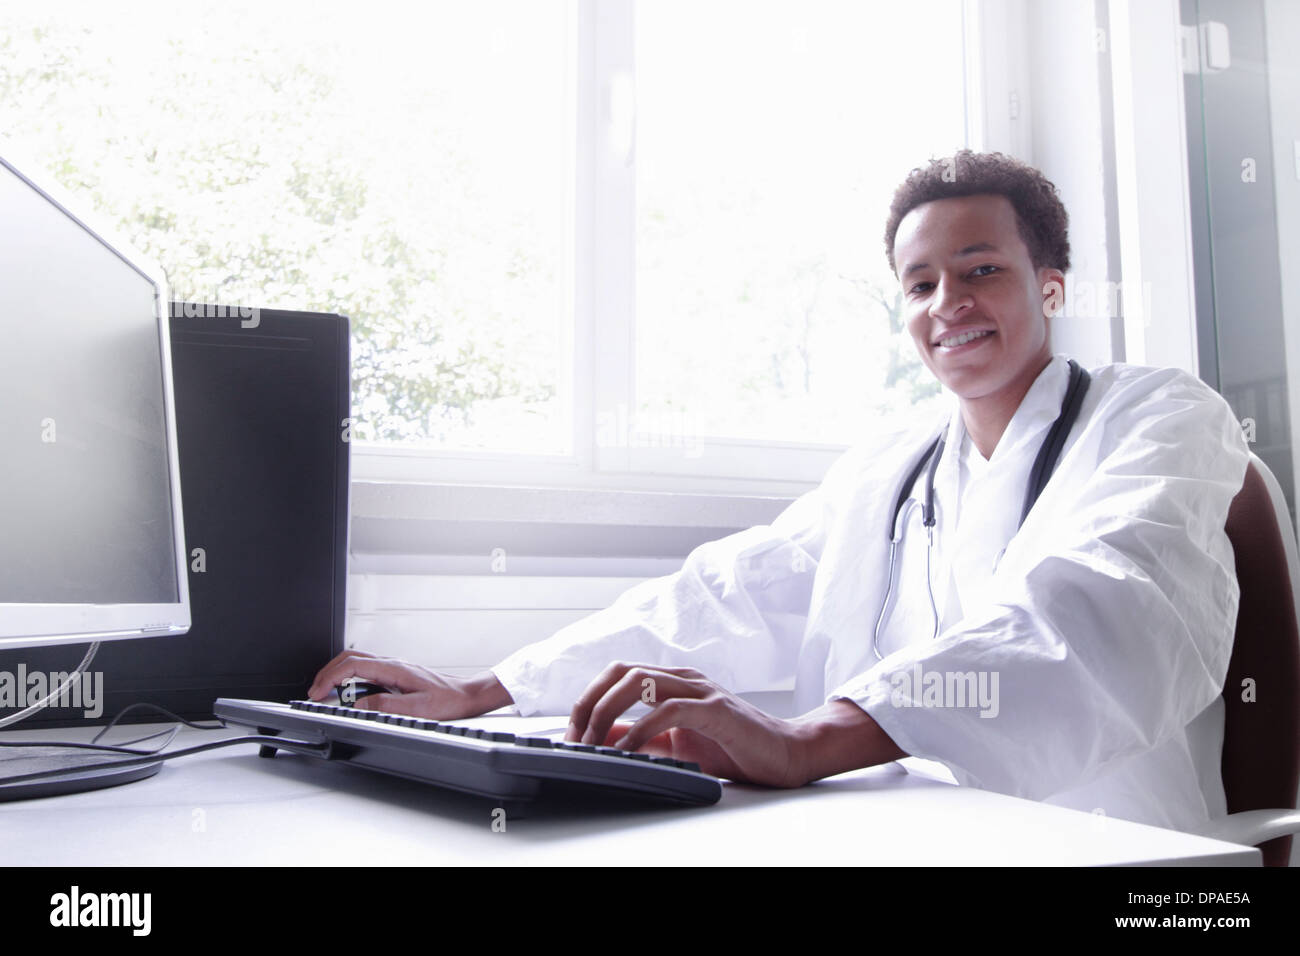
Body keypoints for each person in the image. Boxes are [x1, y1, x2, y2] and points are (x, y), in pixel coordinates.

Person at [309, 150, 1250, 833]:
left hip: (1116, 851)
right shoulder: (895, 464)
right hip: (917, 829)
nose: (947, 305)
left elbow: (1113, 602)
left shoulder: (1160, 413)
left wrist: (813, 738)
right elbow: (729, 590)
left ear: (1051, 289)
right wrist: (491, 688)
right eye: (919, 284)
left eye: (982, 271)